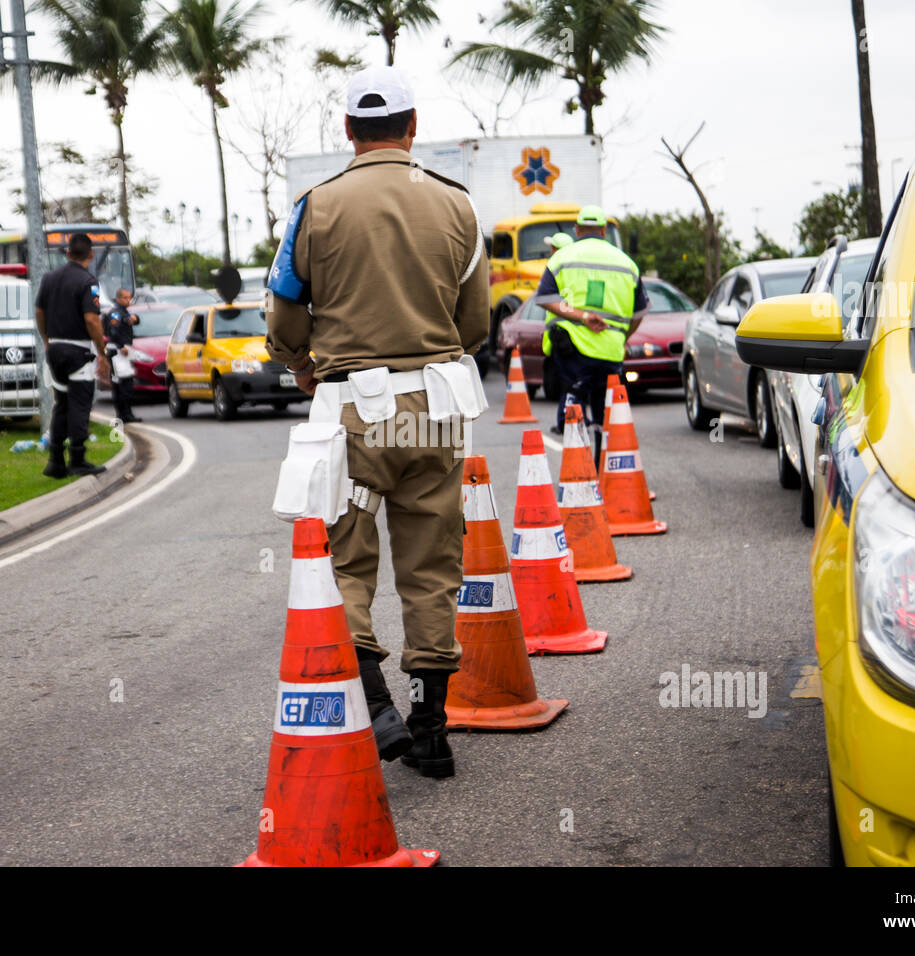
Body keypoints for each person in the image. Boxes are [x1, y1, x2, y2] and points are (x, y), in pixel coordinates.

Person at [266, 65, 489, 779]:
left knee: (345, 562)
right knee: (432, 566)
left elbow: (284, 314)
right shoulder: (457, 205)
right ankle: (431, 729)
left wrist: (300, 361)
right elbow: (475, 323)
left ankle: (376, 704)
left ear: (348, 131)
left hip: (351, 414)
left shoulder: (316, 205)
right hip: (433, 412)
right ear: (413, 126)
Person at [536, 205, 648, 435]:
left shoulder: (561, 258)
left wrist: (583, 317)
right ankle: (605, 457)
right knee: (606, 415)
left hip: (574, 349)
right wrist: (622, 337)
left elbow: (546, 299)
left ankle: (579, 460)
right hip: (611, 350)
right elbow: (639, 313)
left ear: (577, 229)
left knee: (574, 407)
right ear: (604, 230)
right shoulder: (627, 263)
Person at [35, 232, 108, 477]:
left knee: (62, 405)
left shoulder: (49, 278)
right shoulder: (89, 282)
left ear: (67, 253)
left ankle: (55, 461)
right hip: (79, 351)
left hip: (55, 349)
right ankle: (78, 458)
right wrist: (102, 351)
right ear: (91, 254)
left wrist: (46, 340)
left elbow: (40, 312)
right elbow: (91, 319)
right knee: (80, 405)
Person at [102, 287, 141, 424]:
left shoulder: (123, 312)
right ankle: (123, 414)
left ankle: (125, 413)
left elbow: (131, 321)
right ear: (118, 298)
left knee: (125, 383)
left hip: (122, 351)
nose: (128, 300)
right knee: (122, 384)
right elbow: (113, 332)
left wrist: (136, 319)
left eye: (129, 297)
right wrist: (121, 346)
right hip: (118, 352)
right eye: (125, 297)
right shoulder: (115, 313)